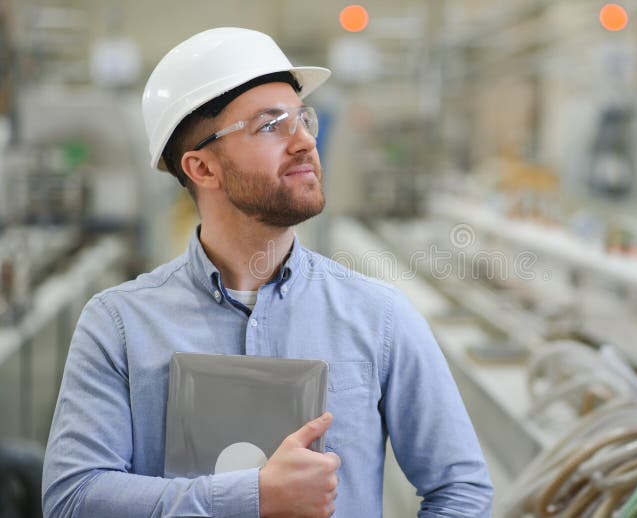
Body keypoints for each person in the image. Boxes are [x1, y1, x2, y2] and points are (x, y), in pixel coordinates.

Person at [41, 27, 493, 517]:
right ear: (202, 168)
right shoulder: (120, 325)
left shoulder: (380, 318)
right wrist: (253, 496)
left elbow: (460, 490)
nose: (303, 142)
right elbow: (73, 499)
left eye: (303, 119)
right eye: (270, 126)